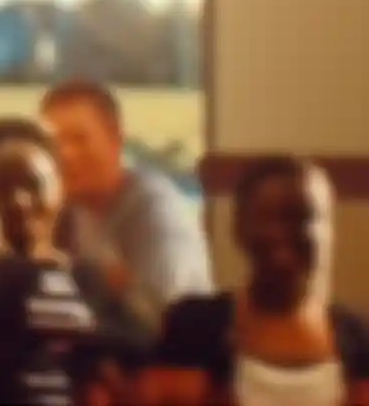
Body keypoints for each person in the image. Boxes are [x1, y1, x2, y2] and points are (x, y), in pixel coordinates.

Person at [0, 117, 147, 405]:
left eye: (32, 184)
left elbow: (135, 346)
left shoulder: (86, 279)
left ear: (59, 188)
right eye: (3, 186)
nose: (19, 201)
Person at [145, 157, 369, 405]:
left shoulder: (356, 336)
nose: (282, 232)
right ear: (239, 228)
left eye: (304, 216)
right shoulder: (195, 324)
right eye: (268, 217)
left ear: (329, 231)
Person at [41, 81, 211, 329]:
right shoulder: (68, 211)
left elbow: (163, 316)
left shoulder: (155, 211)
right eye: (54, 143)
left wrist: (103, 281)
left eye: (79, 139)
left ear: (116, 140)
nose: (65, 154)